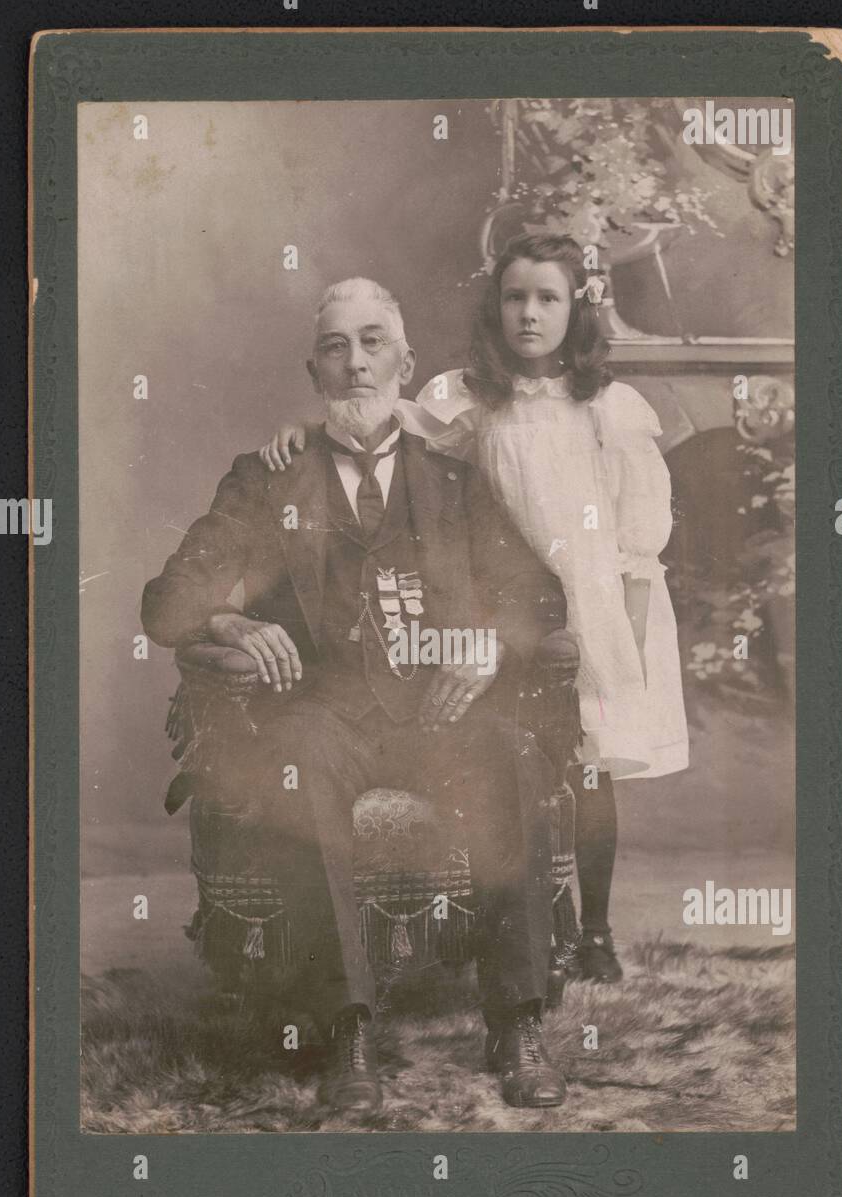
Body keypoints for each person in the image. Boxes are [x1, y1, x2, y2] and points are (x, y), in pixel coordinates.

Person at [142, 277, 572, 1118]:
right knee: (297, 763)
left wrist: (484, 644)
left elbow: (540, 597)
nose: (356, 363)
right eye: (336, 347)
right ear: (314, 371)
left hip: (437, 714)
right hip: (321, 710)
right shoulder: (266, 478)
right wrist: (228, 625)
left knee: (511, 754)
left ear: (405, 363)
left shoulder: (454, 481)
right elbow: (166, 605)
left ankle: (516, 1024)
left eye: (374, 342)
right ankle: (347, 1034)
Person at [260, 234, 690, 986]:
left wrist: (623, 640)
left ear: (575, 309)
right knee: (519, 760)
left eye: (547, 298)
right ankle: (498, 930)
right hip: (496, 601)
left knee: (591, 767)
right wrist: (302, 431)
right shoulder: (464, 398)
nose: (528, 314)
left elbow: (635, 542)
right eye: (514, 297)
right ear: (495, 308)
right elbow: (375, 427)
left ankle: (593, 930)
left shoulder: (609, 409)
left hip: (594, 602)